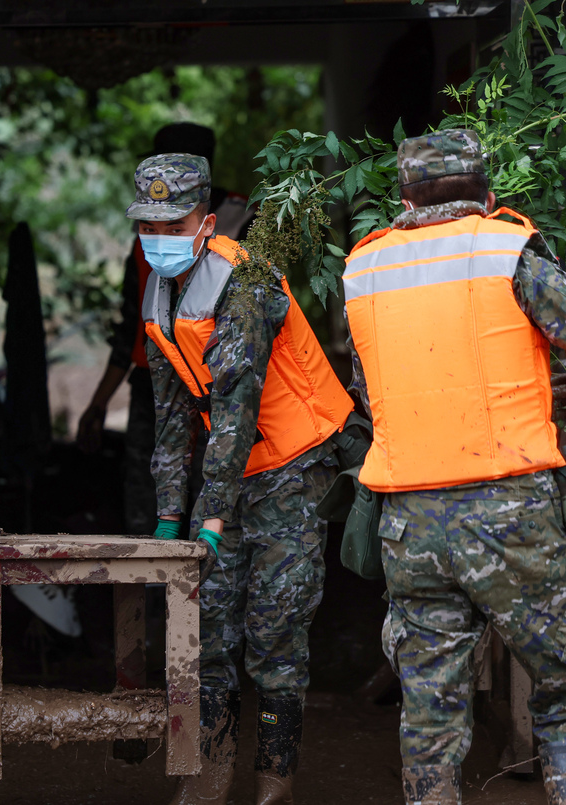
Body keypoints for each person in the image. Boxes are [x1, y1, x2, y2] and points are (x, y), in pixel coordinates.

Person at [343, 129, 566, 805]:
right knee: (561, 680)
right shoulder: (508, 250)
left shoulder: (366, 268)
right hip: (508, 514)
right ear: (485, 192)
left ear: (404, 198)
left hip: (410, 525)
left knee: (431, 705)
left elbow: (366, 387)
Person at [130, 154, 353, 805]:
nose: (159, 235)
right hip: (229, 477)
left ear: (204, 222)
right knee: (210, 629)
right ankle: (210, 771)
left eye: (173, 222)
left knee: (277, 631)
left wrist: (212, 513)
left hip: (292, 471)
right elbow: (172, 416)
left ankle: (273, 779)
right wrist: (172, 514)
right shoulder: (163, 295)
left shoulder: (247, 284)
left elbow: (234, 408)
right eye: (149, 223)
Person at [77, 122, 253, 536]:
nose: (161, 236)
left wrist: (100, 403)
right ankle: (157, 587)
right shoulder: (149, 237)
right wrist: (99, 403)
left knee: (209, 487)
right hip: (157, 376)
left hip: (222, 378)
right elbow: (131, 330)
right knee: (155, 491)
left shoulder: (248, 217)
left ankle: (193, 584)